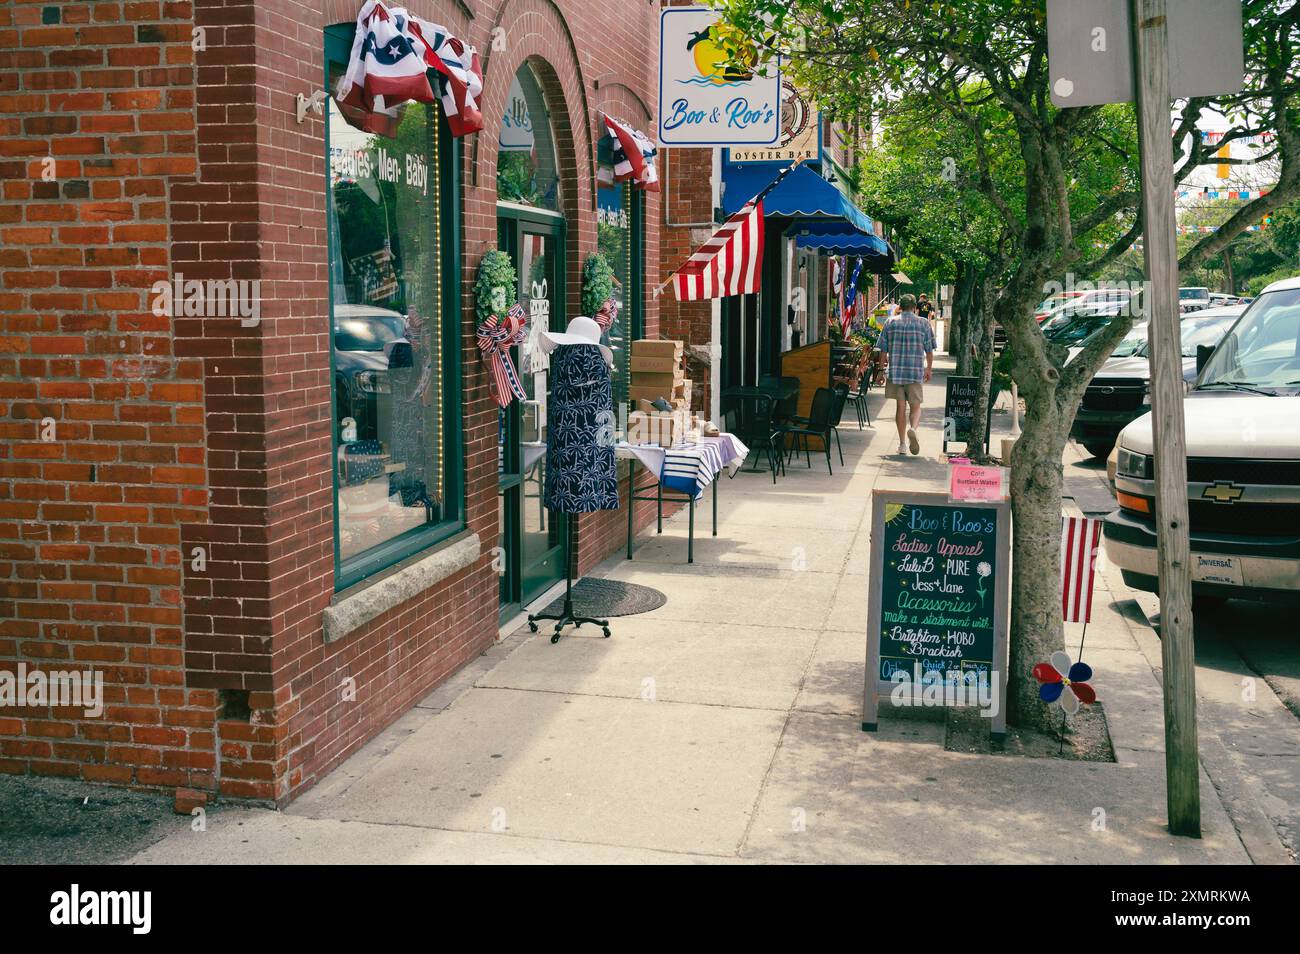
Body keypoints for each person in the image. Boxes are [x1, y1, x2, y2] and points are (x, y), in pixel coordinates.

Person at [873, 293, 935, 456]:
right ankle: (913, 429)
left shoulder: (890, 322)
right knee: (916, 407)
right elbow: (929, 350)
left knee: (900, 407)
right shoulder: (923, 324)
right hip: (915, 372)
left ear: (900, 306)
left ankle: (901, 445)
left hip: (896, 372)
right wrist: (928, 369)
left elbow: (883, 350)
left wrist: (880, 371)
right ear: (915, 307)